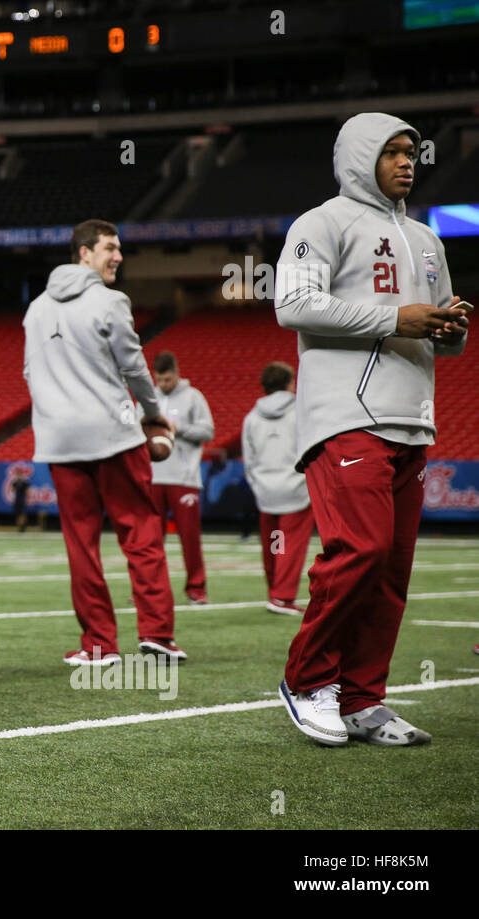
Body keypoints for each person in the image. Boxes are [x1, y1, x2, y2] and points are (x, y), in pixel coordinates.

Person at [275, 112, 468, 747]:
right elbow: (294, 305)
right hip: (346, 414)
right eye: (390, 151)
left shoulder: (429, 239)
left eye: (411, 151)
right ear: (360, 157)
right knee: (359, 552)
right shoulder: (320, 222)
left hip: (412, 417)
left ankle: (363, 699)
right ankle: (307, 681)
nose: (406, 161)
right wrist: (397, 317)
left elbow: (435, 336)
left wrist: (449, 331)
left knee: (391, 570)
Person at [23, 219, 183, 666]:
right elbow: (134, 368)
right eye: (110, 247)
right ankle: (157, 635)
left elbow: (29, 374)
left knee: (81, 545)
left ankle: (98, 644)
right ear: (84, 253)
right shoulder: (111, 300)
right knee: (142, 534)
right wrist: (153, 415)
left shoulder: (35, 308)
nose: (118, 256)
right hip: (114, 436)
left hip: (60, 440)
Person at [241, 362, 313, 616]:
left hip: (265, 488)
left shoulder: (251, 416)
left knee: (274, 542)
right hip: (295, 486)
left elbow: (248, 457)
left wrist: (256, 483)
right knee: (290, 545)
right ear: (289, 382)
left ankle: (274, 591)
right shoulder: (301, 411)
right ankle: (282, 597)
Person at [149, 351, 215, 605]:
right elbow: (133, 430)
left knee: (189, 537)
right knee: (150, 539)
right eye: (160, 380)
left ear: (176, 374)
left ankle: (196, 588)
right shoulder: (147, 397)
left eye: (167, 379)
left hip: (184, 477)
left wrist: (179, 428)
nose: (164, 385)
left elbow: (208, 431)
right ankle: (149, 588)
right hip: (153, 477)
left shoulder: (193, 397)